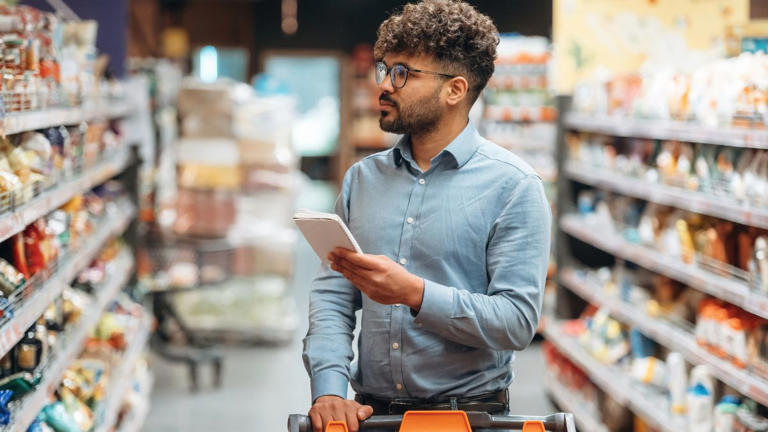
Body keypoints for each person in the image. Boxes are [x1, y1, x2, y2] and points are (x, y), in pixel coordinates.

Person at [302, 1, 551, 431]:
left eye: (403, 73)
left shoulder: (514, 187)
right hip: (371, 415)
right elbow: (333, 297)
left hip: (470, 419)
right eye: (385, 69)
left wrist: (415, 293)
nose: (385, 84)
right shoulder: (361, 180)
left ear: (454, 90)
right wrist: (328, 388)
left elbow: (517, 321)